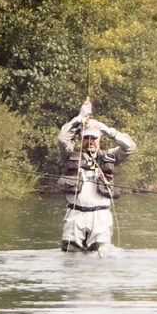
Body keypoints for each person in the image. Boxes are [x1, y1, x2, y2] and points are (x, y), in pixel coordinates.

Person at [57, 100, 136, 253]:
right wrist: (78, 119)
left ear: (100, 137)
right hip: (75, 214)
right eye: (86, 138)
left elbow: (130, 147)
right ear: (81, 138)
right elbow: (62, 139)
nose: (90, 141)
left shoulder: (110, 156)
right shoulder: (70, 154)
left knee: (99, 257)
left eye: (93, 138)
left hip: (101, 216)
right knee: (70, 256)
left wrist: (110, 131)